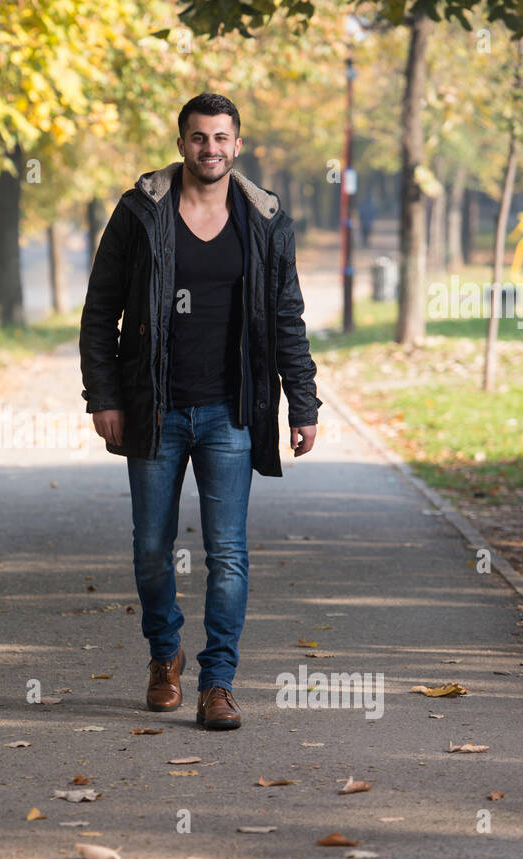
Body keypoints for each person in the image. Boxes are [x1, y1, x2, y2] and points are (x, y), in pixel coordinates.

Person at [78, 92, 322, 731]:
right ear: (181, 142)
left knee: (229, 553)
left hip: (232, 412)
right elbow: (101, 310)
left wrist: (303, 401)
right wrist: (103, 396)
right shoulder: (141, 213)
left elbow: (286, 316)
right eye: (197, 138)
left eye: (221, 138)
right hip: (153, 411)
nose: (209, 149)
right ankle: (165, 657)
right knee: (152, 550)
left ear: (237, 145)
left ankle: (218, 683)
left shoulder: (264, 218)